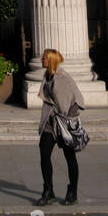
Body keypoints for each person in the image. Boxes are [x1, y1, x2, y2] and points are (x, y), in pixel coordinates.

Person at [36, 48, 84, 207]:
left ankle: (73, 192)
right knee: (44, 154)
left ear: (50, 61)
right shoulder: (47, 75)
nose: (41, 60)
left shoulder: (61, 78)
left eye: (43, 58)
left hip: (64, 123)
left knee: (70, 158)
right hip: (51, 122)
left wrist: (67, 121)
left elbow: (70, 103)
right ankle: (48, 191)